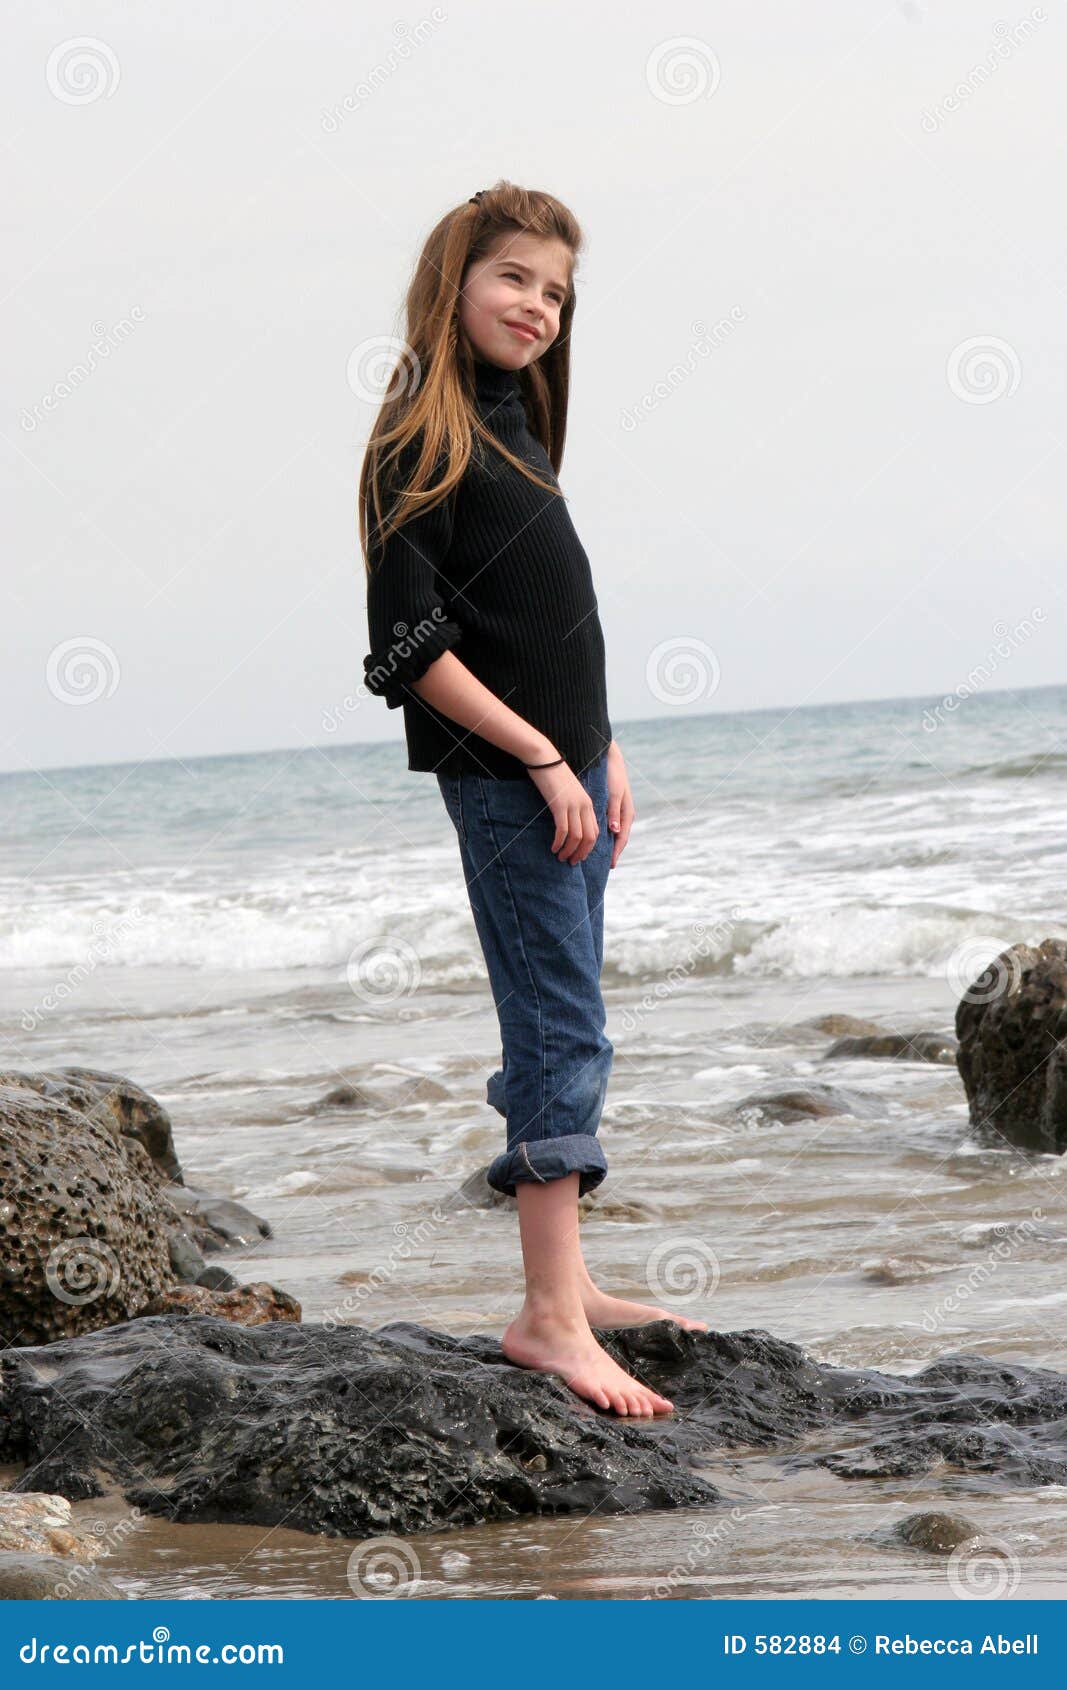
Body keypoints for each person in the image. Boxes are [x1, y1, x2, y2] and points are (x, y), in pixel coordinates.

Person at [359, 180, 707, 1417]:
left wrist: (597, 744)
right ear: (454, 277)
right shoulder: (421, 433)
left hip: (565, 784)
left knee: (568, 1022)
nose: (538, 306)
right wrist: (543, 757)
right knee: (562, 1034)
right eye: (514, 277)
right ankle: (548, 1319)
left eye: (556, 291)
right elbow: (407, 646)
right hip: (513, 793)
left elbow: (542, 621)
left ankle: (573, 1284)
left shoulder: (513, 424)